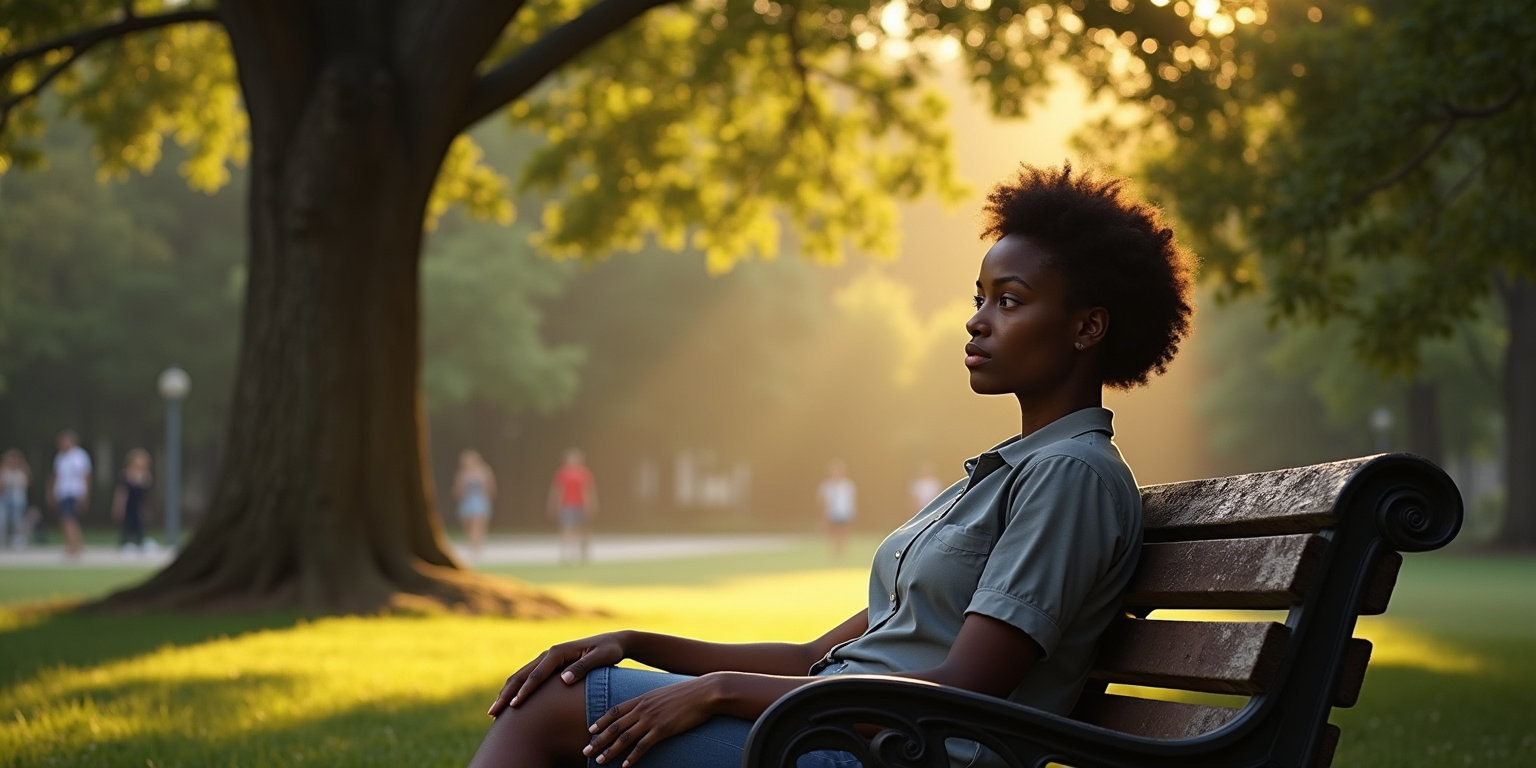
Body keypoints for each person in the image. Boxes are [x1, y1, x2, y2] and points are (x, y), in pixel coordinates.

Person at [467, 163, 1197, 768]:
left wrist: (717, 691)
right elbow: (816, 654)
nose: (977, 320)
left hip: (891, 751)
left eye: (1009, 301)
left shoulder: (1071, 476)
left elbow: (964, 688)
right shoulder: (1000, 476)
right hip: (842, 729)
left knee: (553, 708)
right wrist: (634, 643)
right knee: (572, 687)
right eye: (979, 298)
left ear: (1087, 326)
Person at [547, 449, 598, 564]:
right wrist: (554, 505)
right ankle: (567, 554)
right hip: (567, 506)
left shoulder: (585, 473)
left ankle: (583, 554)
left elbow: (589, 490)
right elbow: (557, 491)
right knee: (567, 529)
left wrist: (592, 504)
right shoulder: (562, 473)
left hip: (582, 505)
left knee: (583, 530)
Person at [48, 431, 92, 558]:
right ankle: (74, 544)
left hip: (74, 491)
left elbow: (85, 476)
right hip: (62, 492)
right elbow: (56, 476)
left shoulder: (80, 456)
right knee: (66, 519)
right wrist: (52, 492)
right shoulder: (60, 457)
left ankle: (74, 546)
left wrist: (85, 495)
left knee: (68, 518)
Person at [454, 450, 498, 560]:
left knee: (477, 524)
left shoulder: (485, 471)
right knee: (468, 525)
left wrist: (489, 497)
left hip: (480, 501)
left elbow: (491, 486)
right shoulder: (463, 473)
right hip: (467, 501)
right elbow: (457, 489)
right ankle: (473, 544)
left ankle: (476, 548)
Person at [111, 449, 153, 555]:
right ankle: (126, 544)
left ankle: (141, 543)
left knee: (140, 524)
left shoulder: (146, 477)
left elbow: (146, 496)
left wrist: (147, 509)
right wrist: (118, 507)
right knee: (127, 526)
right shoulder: (125, 475)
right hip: (128, 505)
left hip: (139, 506)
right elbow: (121, 493)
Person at [816, 460, 857, 561]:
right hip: (831, 514)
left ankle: (843, 554)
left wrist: (852, 512)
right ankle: (834, 554)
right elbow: (821, 502)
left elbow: (851, 500)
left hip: (844, 513)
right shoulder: (826, 486)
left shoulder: (848, 485)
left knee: (844, 534)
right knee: (833, 534)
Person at [1, 449, 31, 549]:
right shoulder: (3, 469)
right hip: (5, 496)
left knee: (17, 519)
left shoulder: (22, 469)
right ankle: (2, 540)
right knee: (2, 519)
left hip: (18, 496)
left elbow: (26, 483)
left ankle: (18, 540)